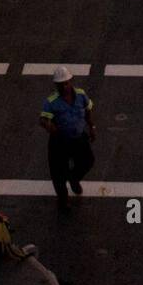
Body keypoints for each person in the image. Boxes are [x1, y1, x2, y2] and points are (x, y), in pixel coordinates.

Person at [39, 66, 97, 207]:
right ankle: (63, 201)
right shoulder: (51, 102)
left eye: (66, 83)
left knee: (88, 161)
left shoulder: (81, 95)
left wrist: (92, 127)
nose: (64, 87)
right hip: (60, 141)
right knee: (58, 173)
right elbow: (43, 119)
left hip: (78, 138)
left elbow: (88, 110)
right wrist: (48, 126)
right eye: (60, 84)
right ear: (56, 85)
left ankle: (73, 178)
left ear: (71, 81)